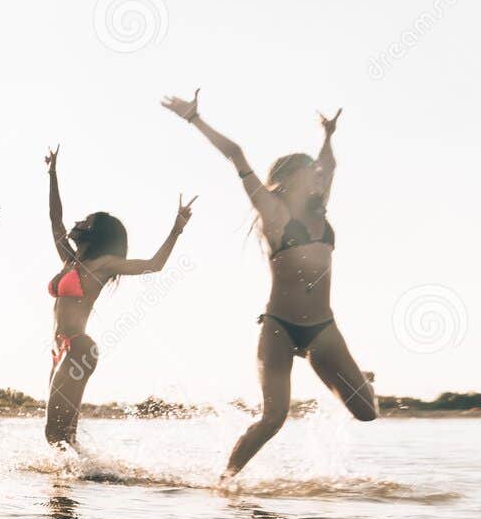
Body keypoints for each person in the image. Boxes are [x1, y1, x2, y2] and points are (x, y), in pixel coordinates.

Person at [161, 90, 377, 478]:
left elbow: (329, 165)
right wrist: (194, 118)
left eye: (317, 174)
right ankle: (225, 482)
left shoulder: (319, 207)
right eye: (309, 172)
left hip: (323, 328)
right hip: (280, 327)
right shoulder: (272, 211)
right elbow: (236, 154)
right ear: (289, 178)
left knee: (367, 412)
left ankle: (362, 381)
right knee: (274, 418)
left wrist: (328, 135)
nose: (317, 176)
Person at [42, 146, 193, 449]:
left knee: (54, 434)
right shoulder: (69, 260)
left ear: (95, 233)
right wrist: (52, 173)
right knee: (64, 436)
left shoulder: (103, 265)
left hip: (78, 348)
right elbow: (55, 219)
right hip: (61, 350)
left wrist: (176, 230)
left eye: (85, 221)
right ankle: (83, 475)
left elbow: (154, 265)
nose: (77, 223)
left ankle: (78, 477)